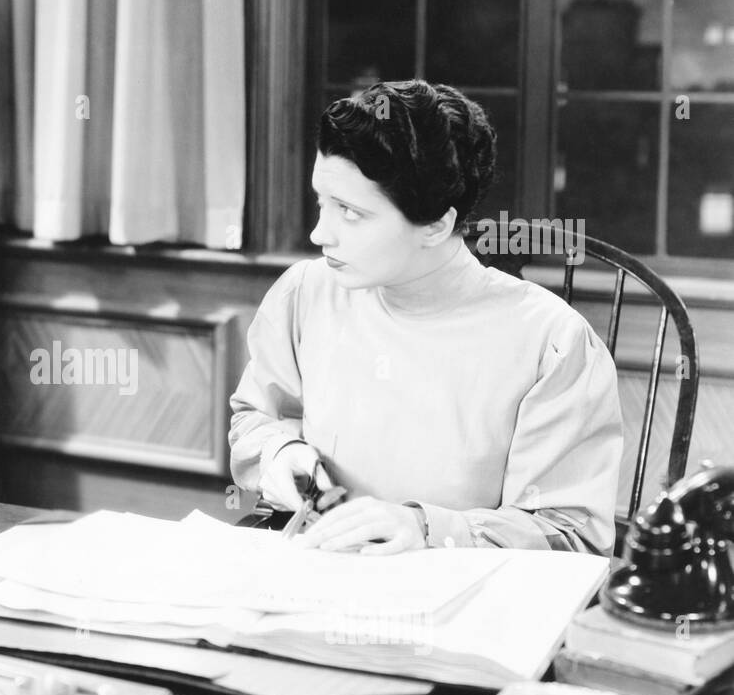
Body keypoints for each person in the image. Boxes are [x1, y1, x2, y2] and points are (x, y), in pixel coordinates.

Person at [229, 80, 623, 556]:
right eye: (322, 202)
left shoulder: (551, 342)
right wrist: (283, 456)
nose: (319, 233)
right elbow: (256, 419)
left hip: (469, 607)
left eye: (350, 213)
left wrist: (427, 528)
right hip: (320, 577)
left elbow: (570, 532)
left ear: (436, 225)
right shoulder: (306, 293)